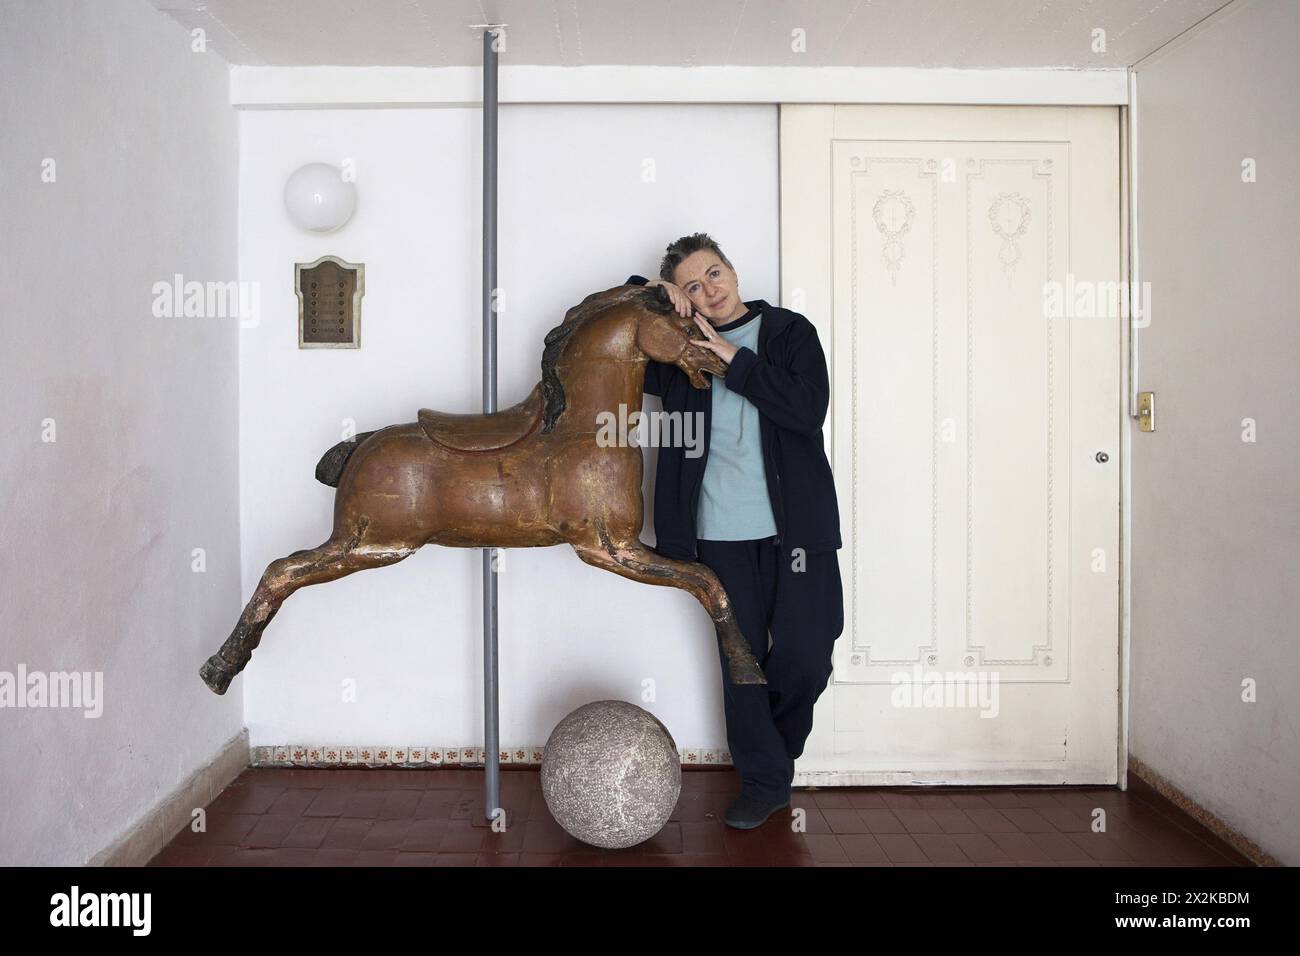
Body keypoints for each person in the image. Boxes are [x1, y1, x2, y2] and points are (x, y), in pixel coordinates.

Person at [624, 232, 844, 829]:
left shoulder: (789, 334)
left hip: (797, 531)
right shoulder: (675, 350)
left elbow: (805, 409)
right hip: (717, 534)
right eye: (692, 284)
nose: (709, 289)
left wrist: (735, 362)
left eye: (713, 274)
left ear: (734, 272)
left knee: (806, 655)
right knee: (742, 664)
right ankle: (766, 784)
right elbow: (618, 324)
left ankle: (773, 756)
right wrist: (651, 293)